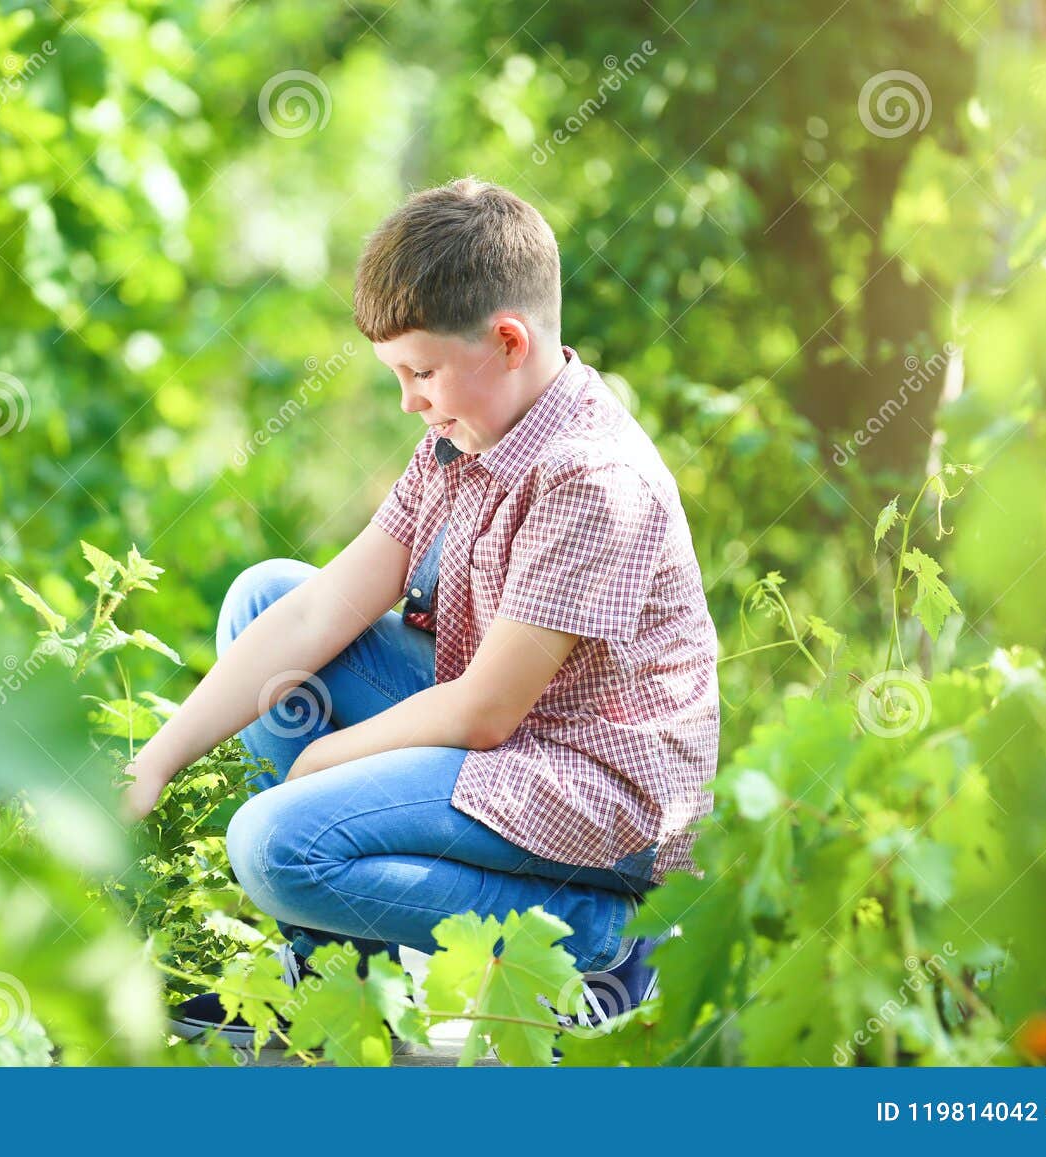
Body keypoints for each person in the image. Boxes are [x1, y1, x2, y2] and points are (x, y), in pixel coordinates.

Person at [124, 178, 720, 1045]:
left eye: (422, 372)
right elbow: (318, 611)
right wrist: (155, 761)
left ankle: (603, 946)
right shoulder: (460, 435)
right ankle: (339, 980)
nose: (409, 400)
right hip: (518, 740)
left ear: (508, 342)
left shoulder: (591, 477)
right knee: (266, 598)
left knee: (273, 847)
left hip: (598, 792)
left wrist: (321, 759)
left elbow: (484, 712)